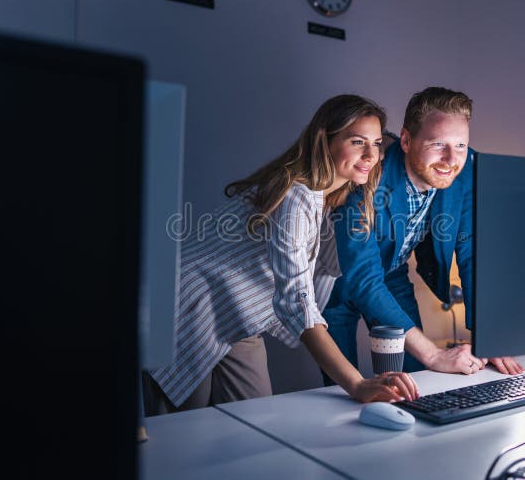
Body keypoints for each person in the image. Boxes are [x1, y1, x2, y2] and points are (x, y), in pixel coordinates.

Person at [144, 94, 419, 413]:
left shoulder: (330, 197)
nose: (372, 154)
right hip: (186, 308)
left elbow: (333, 271)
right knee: (185, 432)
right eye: (358, 141)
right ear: (324, 140)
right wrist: (357, 384)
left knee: (256, 422)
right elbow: (297, 301)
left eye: (376, 143)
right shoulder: (296, 196)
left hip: (236, 316)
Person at [322, 87, 524, 381]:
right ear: (406, 140)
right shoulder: (365, 174)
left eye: (460, 145)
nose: (450, 158)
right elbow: (362, 278)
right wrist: (434, 353)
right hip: (336, 283)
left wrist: (488, 334)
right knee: (342, 388)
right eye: (437, 143)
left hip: (391, 275)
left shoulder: (465, 168)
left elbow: (470, 254)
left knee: (417, 380)